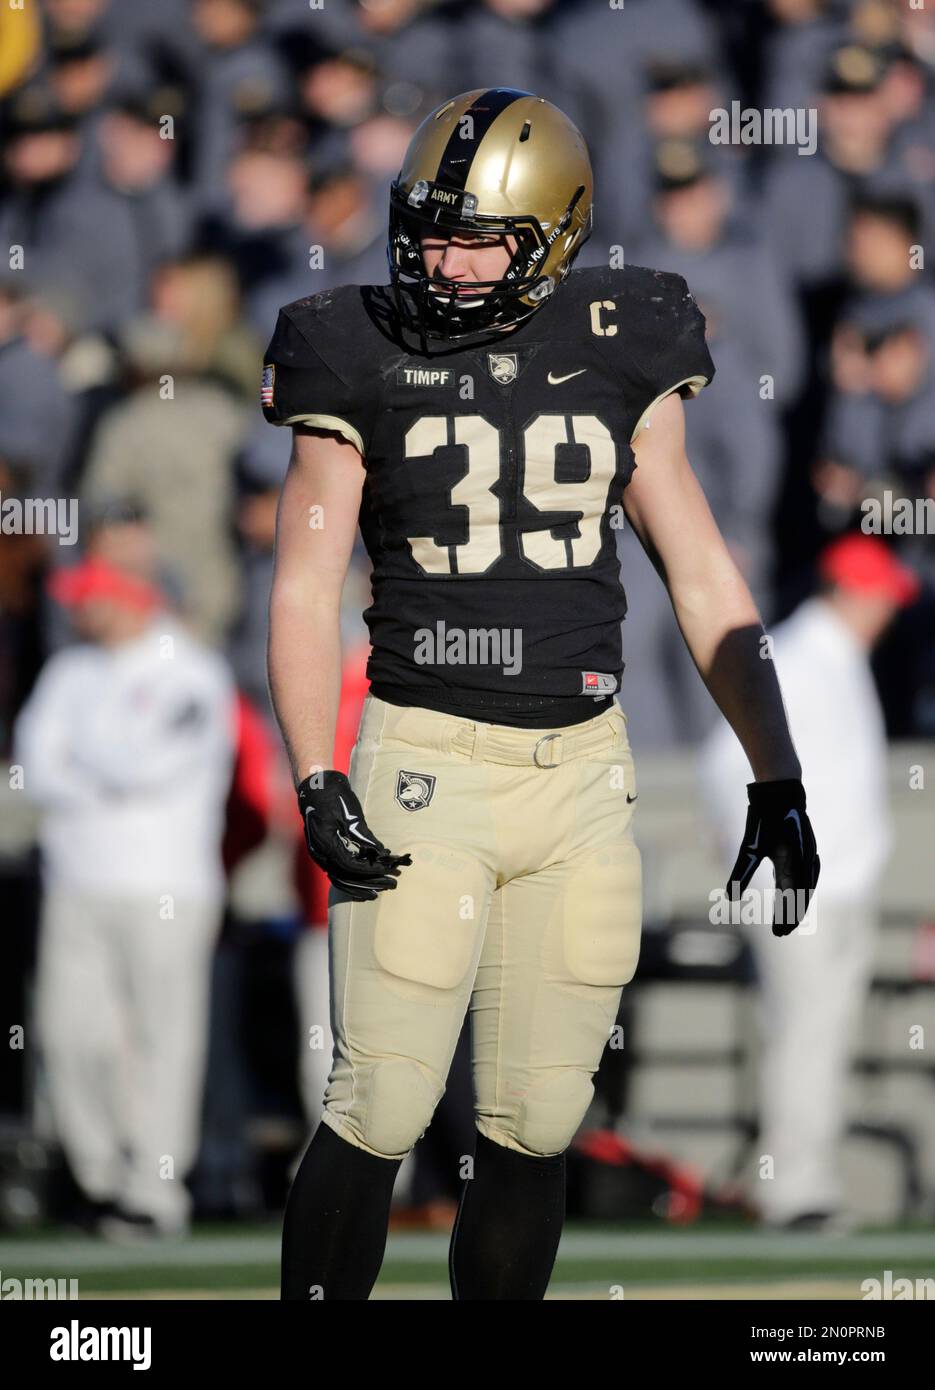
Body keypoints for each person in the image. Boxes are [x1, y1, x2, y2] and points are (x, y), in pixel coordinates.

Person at [262, 87, 820, 1302]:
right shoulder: (344, 341)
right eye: (429, 232)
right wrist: (316, 767)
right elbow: (305, 583)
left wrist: (774, 769)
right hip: (425, 758)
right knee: (381, 1099)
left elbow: (700, 568)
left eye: (478, 239)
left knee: (536, 1118)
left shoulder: (630, 330)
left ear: (557, 233)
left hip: (581, 770)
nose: (444, 263)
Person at [699, 534, 919, 1230]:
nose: (886, 612)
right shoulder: (796, 659)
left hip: (833, 889)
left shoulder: (830, 659)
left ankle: (801, 1183)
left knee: (815, 1036)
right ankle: (794, 1191)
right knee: (804, 1035)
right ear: (850, 592)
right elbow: (717, 763)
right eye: (880, 597)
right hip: (801, 893)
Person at [14, 553, 235, 1237]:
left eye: (94, 597)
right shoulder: (69, 671)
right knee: (72, 1034)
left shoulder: (192, 669)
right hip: (77, 881)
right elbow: (33, 769)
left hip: (165, 885)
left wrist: (84, 764)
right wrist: (95, 774)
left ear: (134, 597)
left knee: (162, 1039)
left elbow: (150, 767)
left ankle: (154, 1190)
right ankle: (101, 1177)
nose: (81, 610)